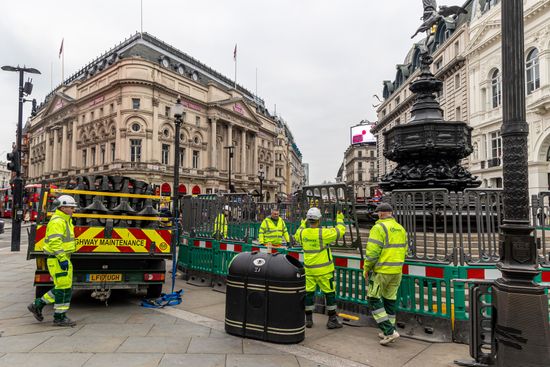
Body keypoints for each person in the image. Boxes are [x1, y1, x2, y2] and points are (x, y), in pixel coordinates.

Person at [28, 195, 78, 327]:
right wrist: (62, 258)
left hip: (62, 258)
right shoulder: (58, 221)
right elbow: (55, 242)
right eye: (71, 207)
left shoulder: (65, 220)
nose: (73, 209)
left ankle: (38, 305)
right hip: (58, 259)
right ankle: (59, 317)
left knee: (65, 287)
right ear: (62, 207)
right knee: (63, 288)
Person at [363, 203, 407, 345]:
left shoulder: (379, 227)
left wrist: (366, 268)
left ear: (381, 214)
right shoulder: (400, 228)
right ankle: (389, 330)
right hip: (397, 271)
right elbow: (405, 249)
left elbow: (372, 252)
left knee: (373, 298)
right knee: (390, 299)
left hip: (382, 270)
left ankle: (389, 332)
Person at [294, 207, 346, 329]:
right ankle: (332, 319)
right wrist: (339, 219)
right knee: (329, 294)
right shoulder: (323, 233)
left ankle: (308, 320)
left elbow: (297, 233)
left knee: (309, 294)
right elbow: (340, 231)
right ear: (319, 220)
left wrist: (302, 223)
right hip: (324, 271)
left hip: (309, 269)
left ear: (308, 220)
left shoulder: (302, 233)